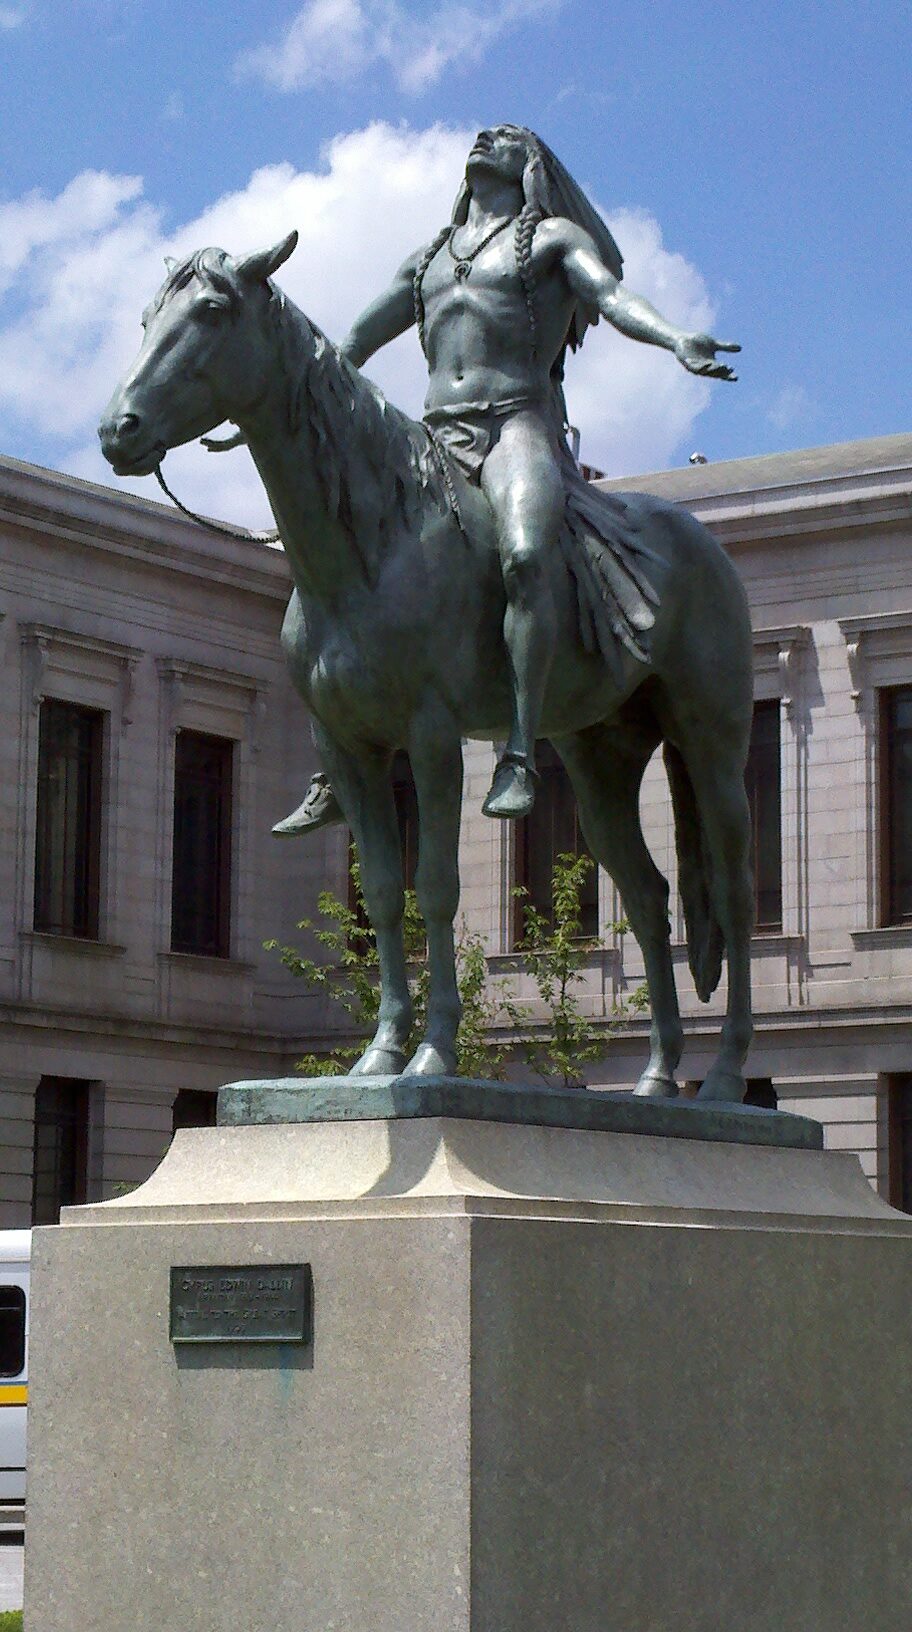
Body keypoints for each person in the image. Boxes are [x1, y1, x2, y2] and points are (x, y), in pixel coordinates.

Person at [273, 124, 739, 837]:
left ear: (533, 168)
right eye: (485, 134)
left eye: (512, 138)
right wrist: (283, 407)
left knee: (524, 553)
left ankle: (520, 748)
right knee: (344, 573)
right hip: (433, 437)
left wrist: (675, 337)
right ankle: (335, 761)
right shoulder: (430, 257)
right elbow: (350, 349)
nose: (491, 137)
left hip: (514, 428)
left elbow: (610, 297)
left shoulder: (550, 239)